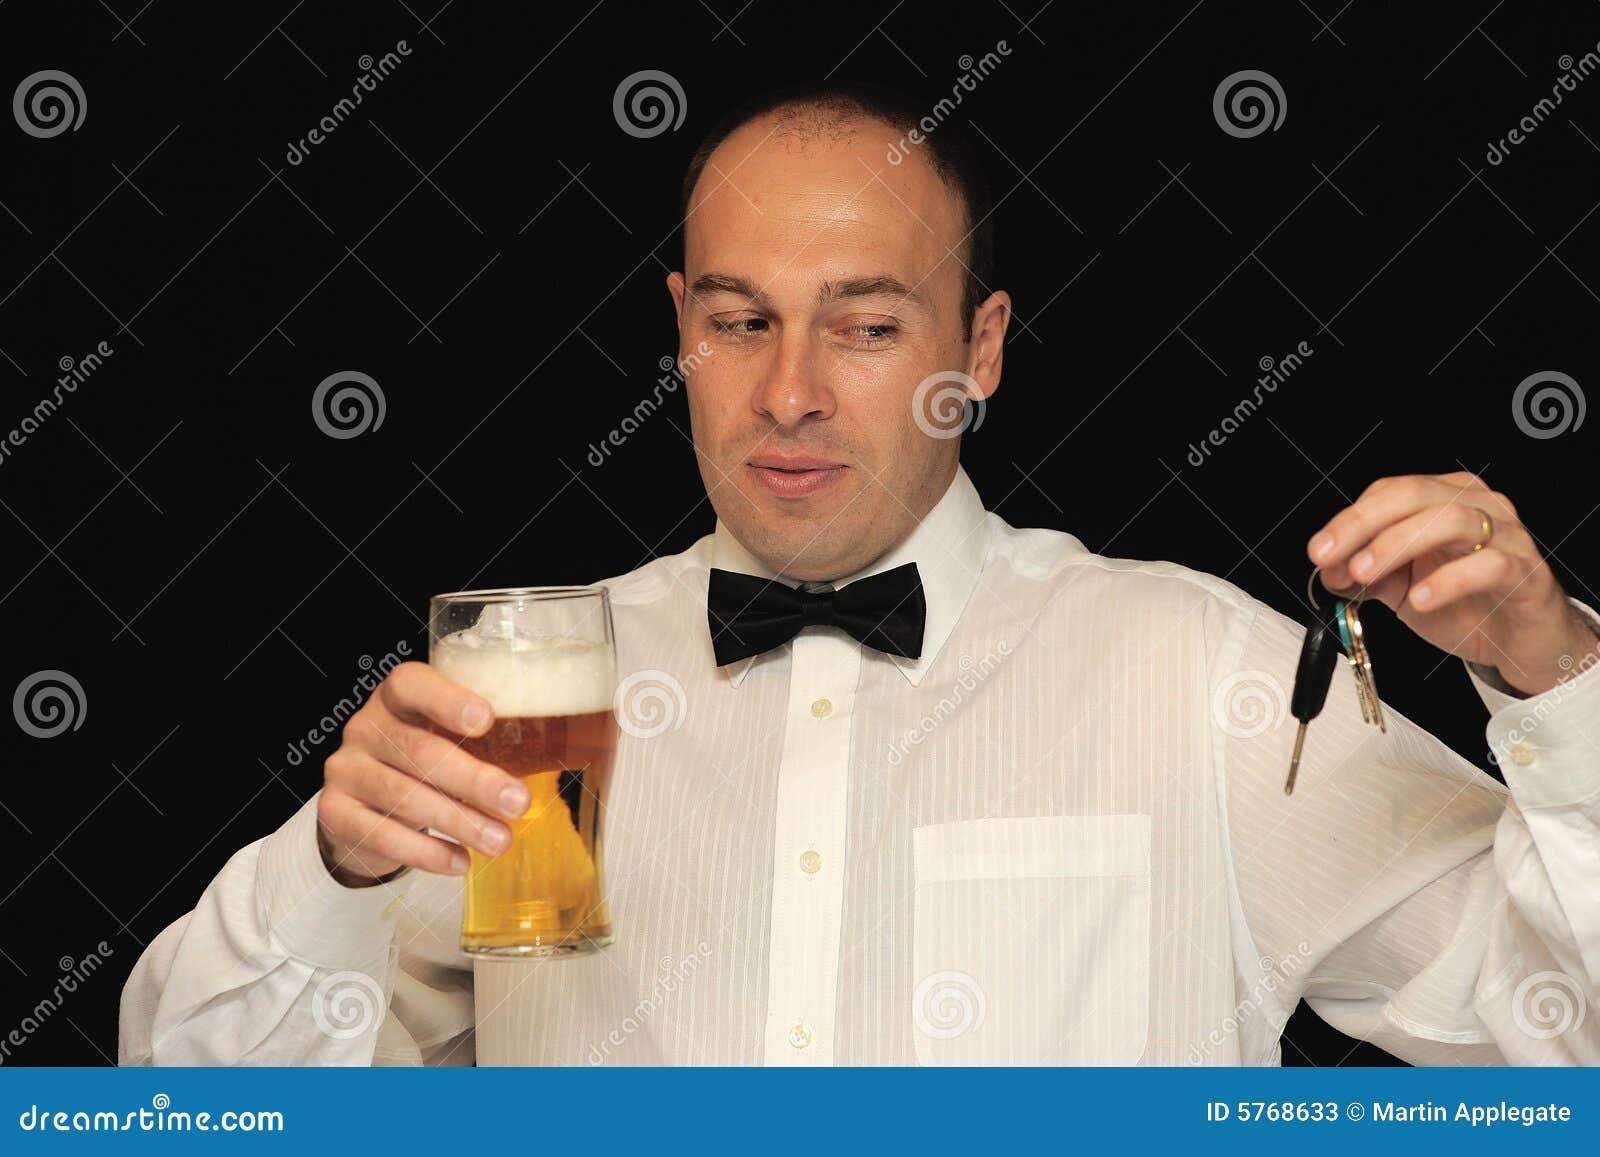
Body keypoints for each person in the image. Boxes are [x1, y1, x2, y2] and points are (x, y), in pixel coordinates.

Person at [119, 82, 1600, 1066]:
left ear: (982, 349)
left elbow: (1570, 1031)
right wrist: (334, 870)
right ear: (680, 332)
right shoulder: (533, 687)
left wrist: (1557, 679)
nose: (792, 392)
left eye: (869, 326)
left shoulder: (1195, 669)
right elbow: (194, 1116)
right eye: (742, 320)